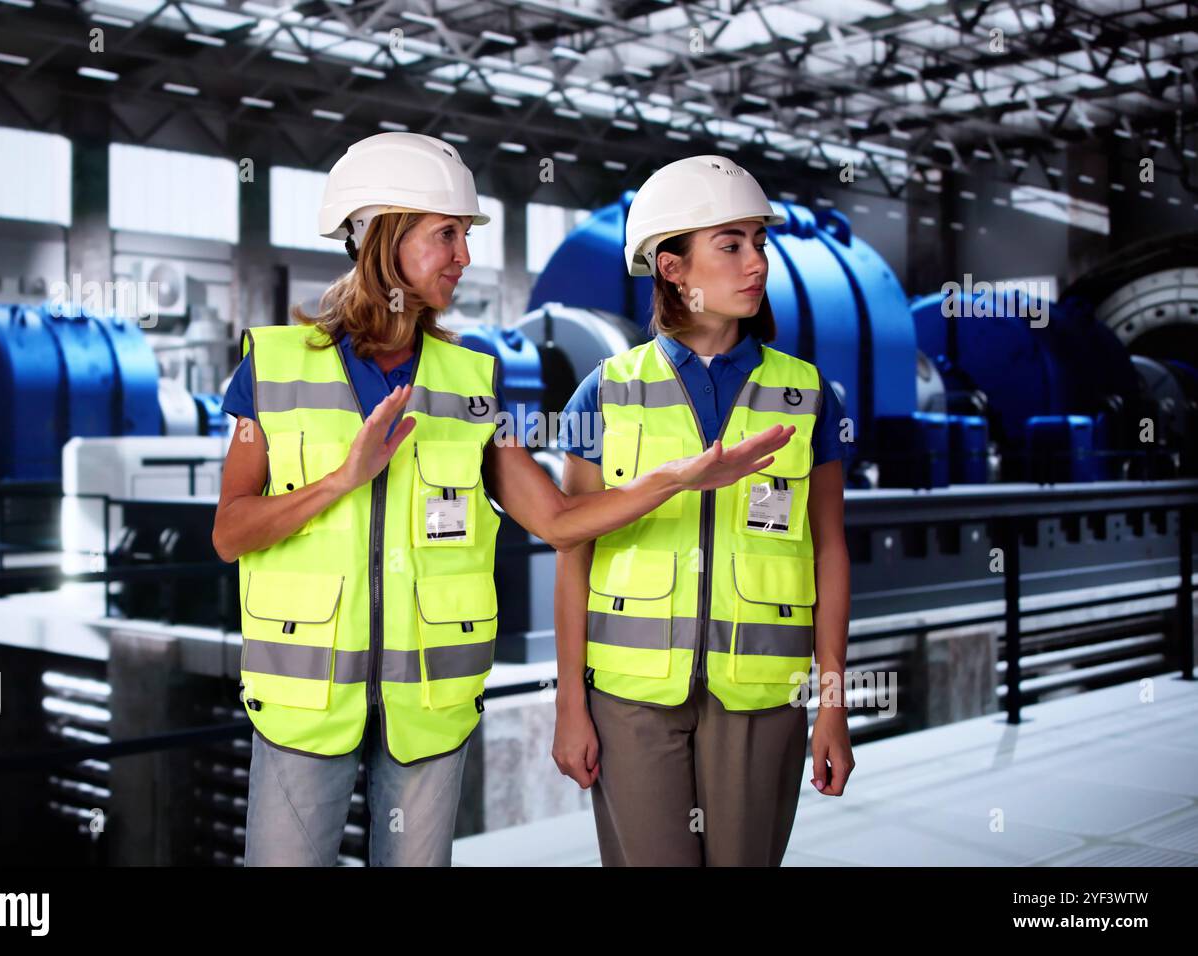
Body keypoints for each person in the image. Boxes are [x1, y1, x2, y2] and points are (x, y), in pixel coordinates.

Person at [211, 133, 797, 867]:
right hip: (303, 706)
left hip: (430, 708)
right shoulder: (269, 368)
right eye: (446, 234)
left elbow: (556, 521)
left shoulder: (473, 383)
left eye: (465, 237)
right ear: (382, 233)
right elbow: (230, 532)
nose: (463, 256)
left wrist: (675, 478)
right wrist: (341, 481)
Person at [551, 154, 856, 866]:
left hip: (761, 695)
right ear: (671, 267)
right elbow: (574, 552)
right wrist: (570, 706)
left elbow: (830, 553)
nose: (757, 261)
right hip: (629, 699)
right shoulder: (605, 394)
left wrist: (834, 703)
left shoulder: (810, 396)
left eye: (759, 241)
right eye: (731, 244)